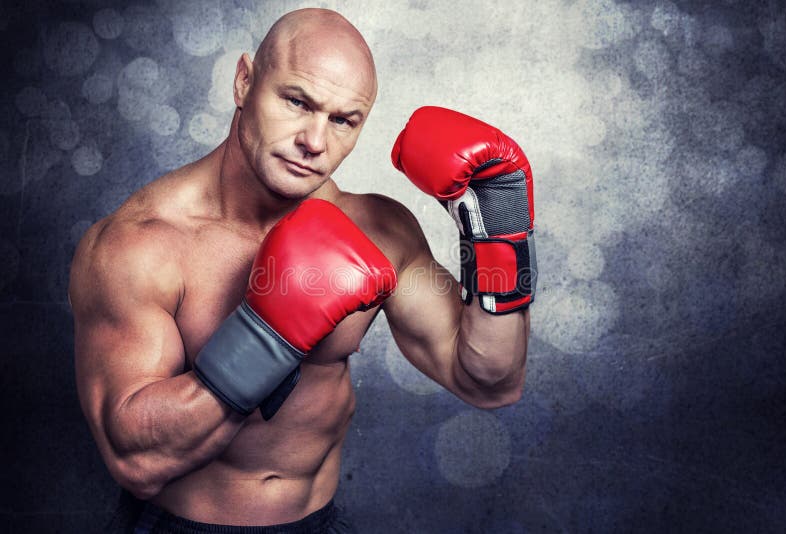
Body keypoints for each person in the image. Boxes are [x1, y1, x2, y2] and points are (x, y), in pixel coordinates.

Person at [69, 7, 536, 533]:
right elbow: (136, 461)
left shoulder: (378, 229)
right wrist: (268, 337)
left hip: (318, 522)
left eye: (343, 120)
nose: (315, 141)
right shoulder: (140, 244)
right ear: (244, 81)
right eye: (297, 102)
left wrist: (498, 230)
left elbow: (490, 381)